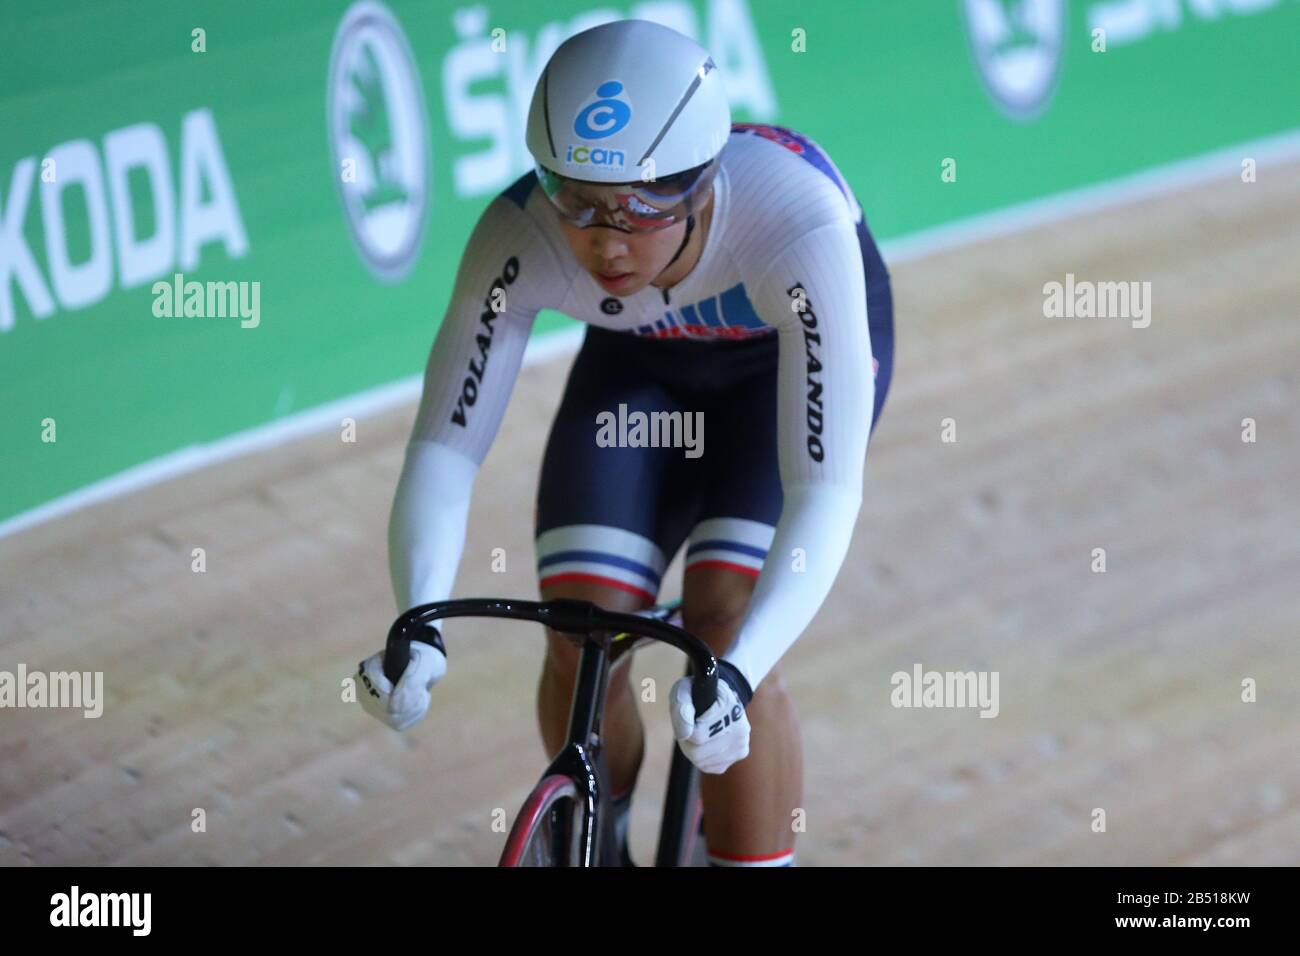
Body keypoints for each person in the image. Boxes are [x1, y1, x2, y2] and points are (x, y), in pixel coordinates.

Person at [358, 18, 894, 868]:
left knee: (725, 619)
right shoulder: (519, 235)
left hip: (774, 380)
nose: (605, 240)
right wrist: (416, 618)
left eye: (640, 209)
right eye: (574, 200)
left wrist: (744, 670)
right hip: (639, 373)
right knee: (583, 630)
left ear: (704, 183)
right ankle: (594, 837)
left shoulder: (798, 221)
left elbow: (825, 494)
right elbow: (445, 446)